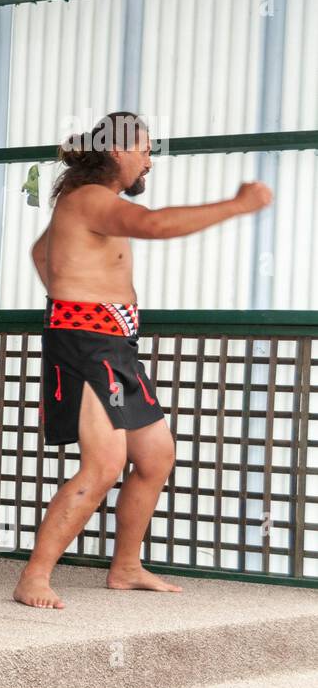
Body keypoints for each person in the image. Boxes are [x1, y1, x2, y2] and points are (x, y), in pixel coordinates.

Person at [14, 112, 273, 609]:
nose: (148, 160)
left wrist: (68, 290)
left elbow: (40, 252)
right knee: (104, 465)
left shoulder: (83, 204)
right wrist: (239, 205)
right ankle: (34, 577)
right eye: (145, 150)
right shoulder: (91, 200)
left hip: (115, 345)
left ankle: (126, 567)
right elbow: (154, 224)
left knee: (154, 458)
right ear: (117, 151)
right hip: (86, 344)